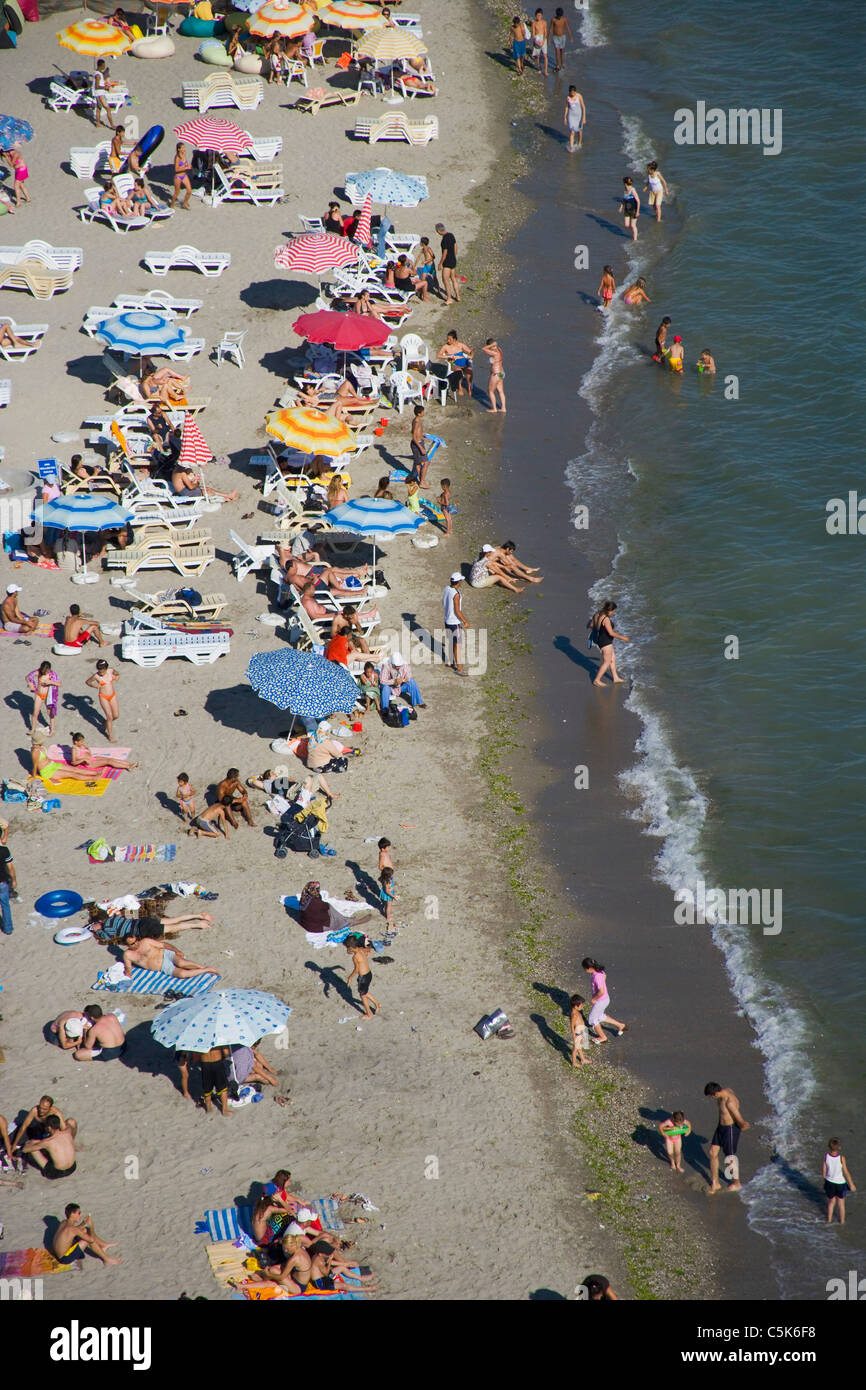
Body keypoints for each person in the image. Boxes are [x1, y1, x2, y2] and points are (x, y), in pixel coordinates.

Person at [704, 1082, 750, 1193]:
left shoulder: (729, 1103)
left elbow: (738, 1117)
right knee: (712, 1152)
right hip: (721, 1127)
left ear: (715, 1094)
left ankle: (736, 1183)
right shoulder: (726, 1090)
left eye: (711, 1096)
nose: (711, 1098)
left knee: (730, 1158)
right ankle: (715, 1183)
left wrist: (743, 1125)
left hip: (730, 1129)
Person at [53, 1204, 122, 1265]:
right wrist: (91, 1226)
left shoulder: (64, 1222)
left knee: (85, 1229)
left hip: (58, 1252)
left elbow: (74, 1231)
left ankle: (103, 1245)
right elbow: (91, 1240)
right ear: (72, 1214)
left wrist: (83, 1223)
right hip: (64, 1258)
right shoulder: (72, 1229)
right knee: (86, 1240)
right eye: (79, 1213)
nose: (80, 1215)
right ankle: (107, 1259)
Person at [581, 957, 628, 1043]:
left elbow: (601, 991)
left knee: (592, 1019)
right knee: (600, 1016)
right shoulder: (599, 971)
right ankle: (621, 1025)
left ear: (589, 968)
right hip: (605, 999)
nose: (585, 970)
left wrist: (594, 999)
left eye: (585, 968)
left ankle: (602, 1037)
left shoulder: (596, 976)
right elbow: (605, 975)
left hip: (600, 1000)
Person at [123, 934, 210, 980]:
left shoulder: (146, 941)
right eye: (132, 943)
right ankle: (206, 970)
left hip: (165, 954)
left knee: (182, 963)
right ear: (127, 945)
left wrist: (176, 950)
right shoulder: (128, 954)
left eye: (136, 941)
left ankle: (203, 967)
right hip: (163, 967)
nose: (136, 944)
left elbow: (163, 945)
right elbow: (128, 968)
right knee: (182, 974)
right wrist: (127, 975)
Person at [19, 1113, 78, 1179]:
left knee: (33, 1148)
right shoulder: (68, 1131)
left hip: (56, 1173)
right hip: (72, 1167)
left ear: (49, 1128)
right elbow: (71, 1123)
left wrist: (32, 1142)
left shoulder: (48, 1142)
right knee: (71, 1121)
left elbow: (25, 1149)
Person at [31, 732, 100, 785]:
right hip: (47, 771)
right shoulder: (35, 751)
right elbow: (35, 765)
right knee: (71, 774)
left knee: (74, 769)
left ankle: (95, 773)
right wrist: (34, 776)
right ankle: (93, 778)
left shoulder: (41, 747)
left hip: (52, 764)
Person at [588, 600, 629, 686]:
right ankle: (597, 680)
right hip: (605, 642)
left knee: (612, 659)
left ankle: (615, 677)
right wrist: (623, 638)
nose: (613, 613)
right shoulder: (606, 619)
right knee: (607, 662)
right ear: (610, 610)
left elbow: (591, 625)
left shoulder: (598, 614)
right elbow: (611, 633)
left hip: (602, 640)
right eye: (613, 611)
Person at [179, 1048, 230, 1115]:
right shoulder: (218, 1039)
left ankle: (209, 1109)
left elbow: (196, 1058)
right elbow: (226, 1053)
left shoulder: (201, 1042)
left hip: (206, 1065)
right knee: (223, 1088)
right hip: (217, 1063)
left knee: (207, 1089)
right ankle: (224, 1110)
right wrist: (223, 1055)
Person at [86, 659, 121, 741]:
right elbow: (88, 682)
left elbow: (117, 673)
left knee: (116, 715)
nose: (101, 673)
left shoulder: (110, 670)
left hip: (112, 695)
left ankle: (105, 723)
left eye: (102, 671)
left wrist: (117, 677)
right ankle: (111, 736)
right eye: (99, 671)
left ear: (106, 668)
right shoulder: (96, 676)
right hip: (103, 697)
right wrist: (94, 686)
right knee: (109, 716)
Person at [346, 937, 381, 1018]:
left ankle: (369, 1014)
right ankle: (377, 1004)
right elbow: (369, 950)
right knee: (364, 993)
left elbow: (356, 969)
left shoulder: (355, 957)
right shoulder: (361, 949)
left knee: (362, 995)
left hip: (363, 977)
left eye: (348, 947)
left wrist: (350, 978)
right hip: (369, 974)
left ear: (351, 947)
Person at [823, 1138, 855, 1225]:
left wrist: (826, 1179)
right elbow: (846, 1172)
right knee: (841, 1203)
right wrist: (851, 1184)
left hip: (830, 1182)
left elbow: (824, 1171)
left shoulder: (826, 1156)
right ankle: (842, 1222)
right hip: (840, 1183)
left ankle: (829, 1220)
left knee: (831, 1202)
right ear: (839, 1147)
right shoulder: (841, 1158)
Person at [70, 732, 138, 772]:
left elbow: (87, 751)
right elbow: (73, 762)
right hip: (90, 763)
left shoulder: (81, 746)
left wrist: (87, 750)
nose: (83, 743)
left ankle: (129, 764)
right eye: (81, 742)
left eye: (83, 741)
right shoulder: (74, 749)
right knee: (108, 762)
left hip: (93, 758)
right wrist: (83, 760)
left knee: (110, 759)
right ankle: (127, 767)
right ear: (76, 742)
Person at [442, 571, 468, 675]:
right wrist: (465, 621)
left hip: (447, 620)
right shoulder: (456, 594)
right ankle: (459, 669)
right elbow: (457, 611)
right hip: (454, 622)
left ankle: (450, 661)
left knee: (451, 641)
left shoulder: (446, 589)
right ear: (459, 582)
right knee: (458, 645)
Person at [26, 662, 60, 736]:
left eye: (47, 671)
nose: (45, 672)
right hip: (39, 695)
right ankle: (32, 729)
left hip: (48, 696)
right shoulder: (38, 672)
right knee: (35, 713)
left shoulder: (53, 675)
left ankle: (52, 730)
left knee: (50, 713)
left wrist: (50, 682)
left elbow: (60, 684)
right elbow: (28, 677)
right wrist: (30, 684)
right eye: (44, 671)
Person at [437, 331, 474, 397]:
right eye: (447, 339)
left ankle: (469, 387)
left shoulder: (460, 345)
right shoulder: (446, 346)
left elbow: (471, 351)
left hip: (463, 361)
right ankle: (460, 387)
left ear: (454, 339)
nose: (448, 341)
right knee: (458, 372)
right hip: (453, 362)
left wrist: (471, 356)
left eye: (450, 339)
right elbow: (438, 355)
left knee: (469, 371)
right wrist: (448, 356)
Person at [435, 222, 460, 306]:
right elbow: (455, 246)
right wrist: (454, 255)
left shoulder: (444, 240)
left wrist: (440, 263)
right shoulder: (451, 235)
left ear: (438, 231)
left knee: (445, 279)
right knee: (453, 278)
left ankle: (449, 298)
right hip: (453, 259)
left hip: (447, 262)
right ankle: (457, 296)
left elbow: (445, 252)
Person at [93, 60, 118, 131]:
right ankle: (112, 125)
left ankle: (98, 124)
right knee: (108, 109)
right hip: (100, 94)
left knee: (98, 109)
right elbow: (97, 86)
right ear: (101, 65)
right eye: (104, 65)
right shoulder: (98, 75)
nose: (104, 66)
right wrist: (105, 88)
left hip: (98, 94)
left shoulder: (97, 73)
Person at [0, 830, 17, 936]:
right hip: (2, 882)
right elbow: (10, 868)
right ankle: (8, 928)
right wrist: (14, 880)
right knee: (5, 905)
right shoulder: (4, 851)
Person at [409, 404, 431, 487]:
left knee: (418, 464)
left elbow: (415, 432)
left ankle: (422, 481)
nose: (423, 413)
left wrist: (422, 434)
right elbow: (414, 437)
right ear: (419, 413)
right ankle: (422, 482)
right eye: (422, 412)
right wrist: (421, 448)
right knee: (426, 462)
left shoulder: (416, 420)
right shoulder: (417, 422)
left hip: (418, 443)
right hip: (417, 444)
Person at [483, 339, 506, 413]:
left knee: (490, 391)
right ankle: (503, 408)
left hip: (495, 374)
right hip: (501, 372)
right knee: (501, 391)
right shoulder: (499, 350)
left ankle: (494, 408)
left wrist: (491, 345)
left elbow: (483, 349)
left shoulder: (494, 353)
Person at [171, 143, 192, 211]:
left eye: (184, 147)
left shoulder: (184, 154)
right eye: (182, 148)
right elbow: (176, 169)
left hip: (184, 175)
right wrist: (186, 168)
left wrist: (188, 165)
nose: (184, 149)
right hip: (178, 177)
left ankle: (185, 203)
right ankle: (172, 205)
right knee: (177, 193)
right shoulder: (177, 157)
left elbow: (185, 163)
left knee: (189, 190)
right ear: (178, 149)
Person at [570, 994, 589, 1067]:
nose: (582, 1007)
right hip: (578, 1034)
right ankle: (574, 1063)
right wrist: (574, 1036)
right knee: (575, 1049)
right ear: (576, 1006)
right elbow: (572, 1026)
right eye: (581, 1006)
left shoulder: (577, 1012)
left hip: (581, 1031)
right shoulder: (574, 1015)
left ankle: (582, 1059)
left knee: (579, 1047)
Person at [564, 86, 586, 151]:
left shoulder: (579, 96)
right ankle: (571, 148)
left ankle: (579, 143)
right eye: (571, 93)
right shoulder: (568, 98)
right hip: (571, 116)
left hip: (579, 116)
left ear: (575, 91)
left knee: (579, 131)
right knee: (572, 132)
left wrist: (584, 117)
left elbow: (583, 107)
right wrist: (565, 117)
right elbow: (567, 107)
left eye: (574, 92)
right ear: (569, 92)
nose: (572, 94)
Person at [620, 176, 640, 241]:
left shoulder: (632, 190)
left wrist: (637, 211)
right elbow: (624, 199)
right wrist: (621, 207)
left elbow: (638, 201)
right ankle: (635, 232)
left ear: (625, 183)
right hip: (627, 209)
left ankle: (635, 239)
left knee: (633, 225)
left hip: (633, 210)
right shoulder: (625, 190)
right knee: (626, 225)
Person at [530, 8, 548, 73]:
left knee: (545, 55)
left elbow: (545, 32)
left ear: (542, 15)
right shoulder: (534, 23)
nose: (538, 17)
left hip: (543, 38)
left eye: (540, 15)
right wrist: (535, 41)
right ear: (535, 15)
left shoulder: (544, 22)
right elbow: (533, 33)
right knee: (538, 56)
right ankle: (539, 68)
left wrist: (543, 41)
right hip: (537, 39)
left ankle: (546, 70)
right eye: (537, 15)